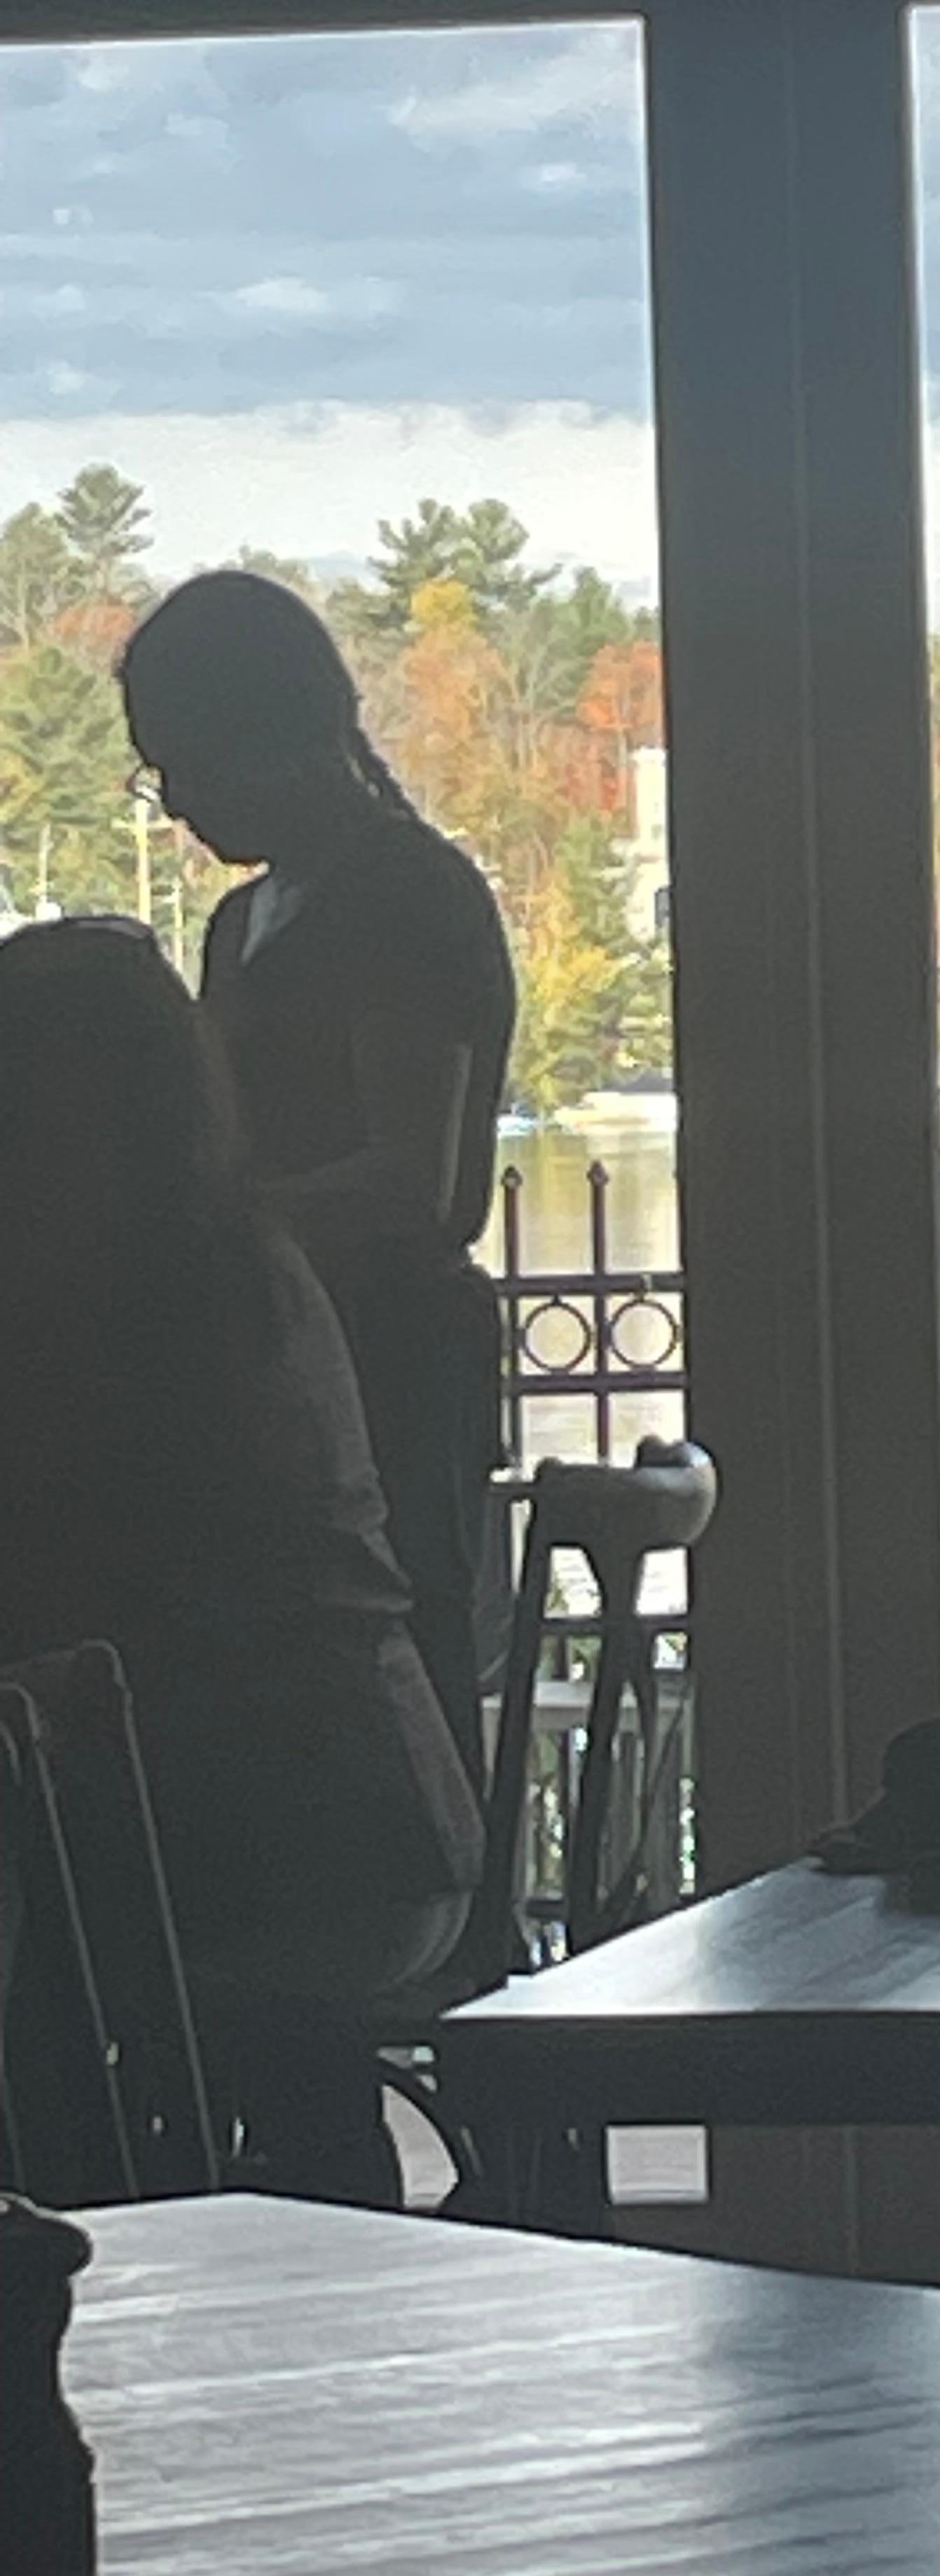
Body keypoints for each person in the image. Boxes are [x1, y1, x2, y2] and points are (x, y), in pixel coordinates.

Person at [0, 921, 483, 2194]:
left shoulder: (79, 1307)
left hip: (239, 1860)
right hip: (380, 1810)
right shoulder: (246, 1268)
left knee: (29, 1953)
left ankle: (69, 2253)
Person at [119, 572, 516, 1780]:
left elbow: (417, 1185)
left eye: (187, 764)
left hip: (390, 1364)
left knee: (398, 1687)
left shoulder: (407, 895)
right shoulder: (241, 926)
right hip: (290, 1363)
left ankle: (435, 1945)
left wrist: (196, 1223)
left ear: (272, 735)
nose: (176, 803)